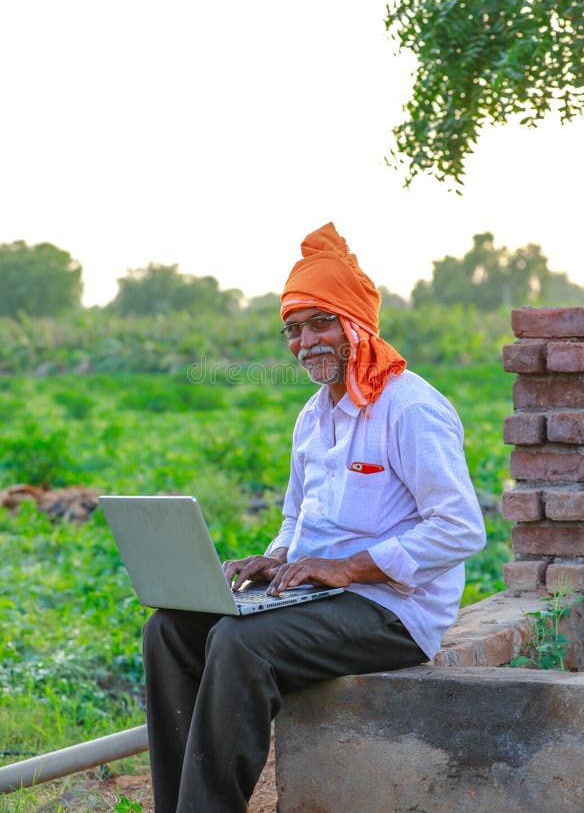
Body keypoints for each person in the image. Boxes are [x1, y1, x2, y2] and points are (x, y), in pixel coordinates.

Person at [143, 222, 486, 812]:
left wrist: (347, 568)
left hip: (392, 610)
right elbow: (297, 519)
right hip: (321, 599)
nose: (306, 342)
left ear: (356, 324)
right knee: (170, 629)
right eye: (293, 330)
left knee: (239, 643)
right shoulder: (313, 415)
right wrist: (275, 559)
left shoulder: (410, 409)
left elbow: (461, 528)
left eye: (320, 323)